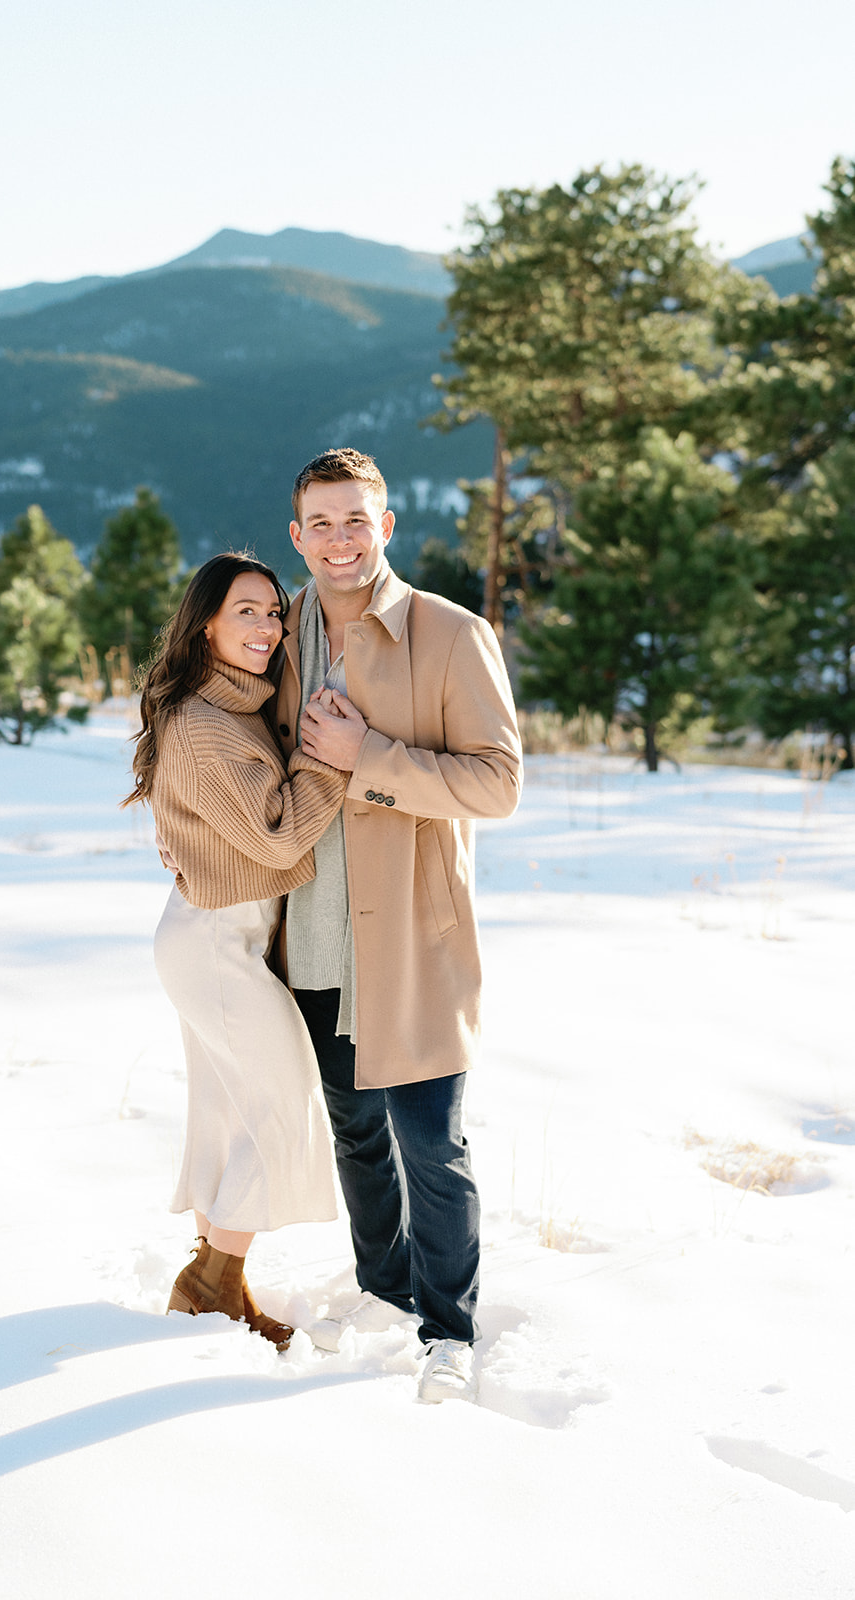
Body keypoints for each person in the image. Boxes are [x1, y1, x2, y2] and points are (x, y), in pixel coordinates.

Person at [272, 448, 523, 1402]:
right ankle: (383, 1288)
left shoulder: (452, 635)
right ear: (298, 536)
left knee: (432, 1142)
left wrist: (368, 754)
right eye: (320, 524)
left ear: (387, 528)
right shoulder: (275, 631)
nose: (339, 541)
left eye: (356, 521)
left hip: (412, 931)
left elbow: (495, 783)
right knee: (355, 1134)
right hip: (312, 925)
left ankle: (448, 1329)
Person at [123, 552, 355, 1347]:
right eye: (245, 612)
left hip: (223, 939)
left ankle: (220, 1284)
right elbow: (281, 836)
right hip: (214, 946)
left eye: (273, 612)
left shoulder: (234, 706)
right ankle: (210, 1283)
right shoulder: (200, 722)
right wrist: (334, 758)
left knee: (229, 1116)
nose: (267, 627)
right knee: (282, 1107)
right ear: (206, 624)